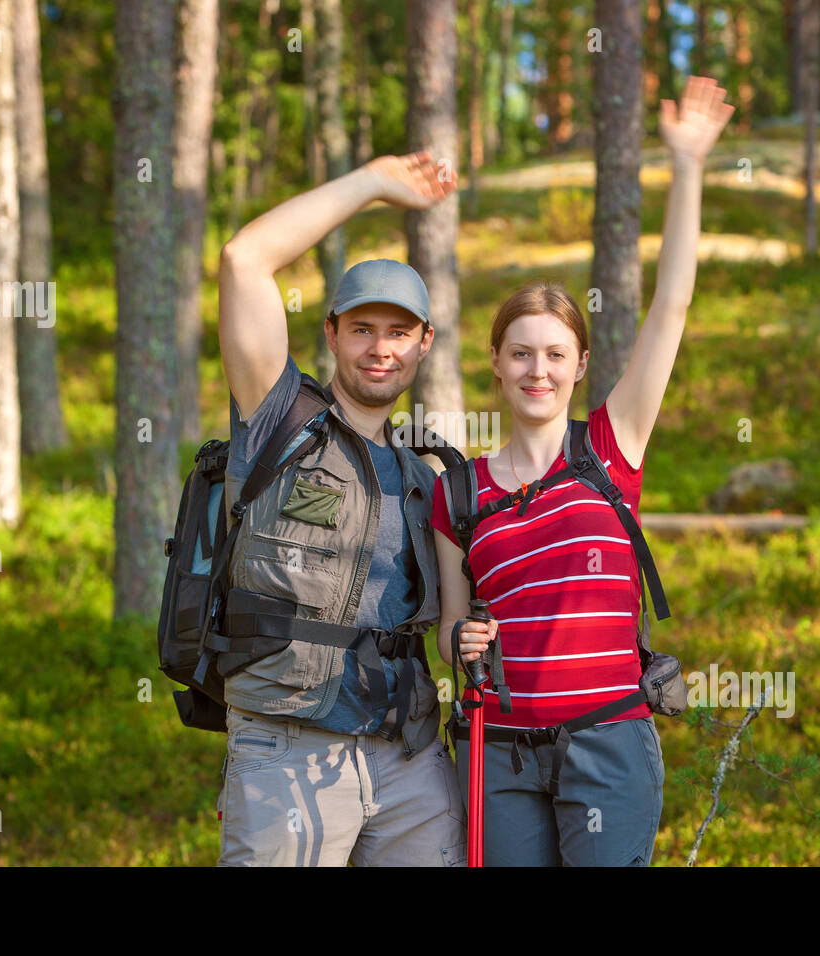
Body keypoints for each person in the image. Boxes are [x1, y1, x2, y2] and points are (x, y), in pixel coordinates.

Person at [430, 76, 735, 866]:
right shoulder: (457, 491)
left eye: (555, 354)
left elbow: (671, 307)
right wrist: (461, 638)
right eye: (520, 353)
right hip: (500, 754)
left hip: (608, 743)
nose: (538, 369)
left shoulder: (609, 446)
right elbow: (448, 630)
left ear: (580, 365)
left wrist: (688, 166)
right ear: (496, 363)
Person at [216, 150, 466, 866]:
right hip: (287, 742)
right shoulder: (277, 417)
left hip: (409, 754)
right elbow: (242, 260)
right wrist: (372, 185)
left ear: (423, 343)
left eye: (398, 333)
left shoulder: (426, 477)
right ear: (330, 333)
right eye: (362, 329)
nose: (379, 349)